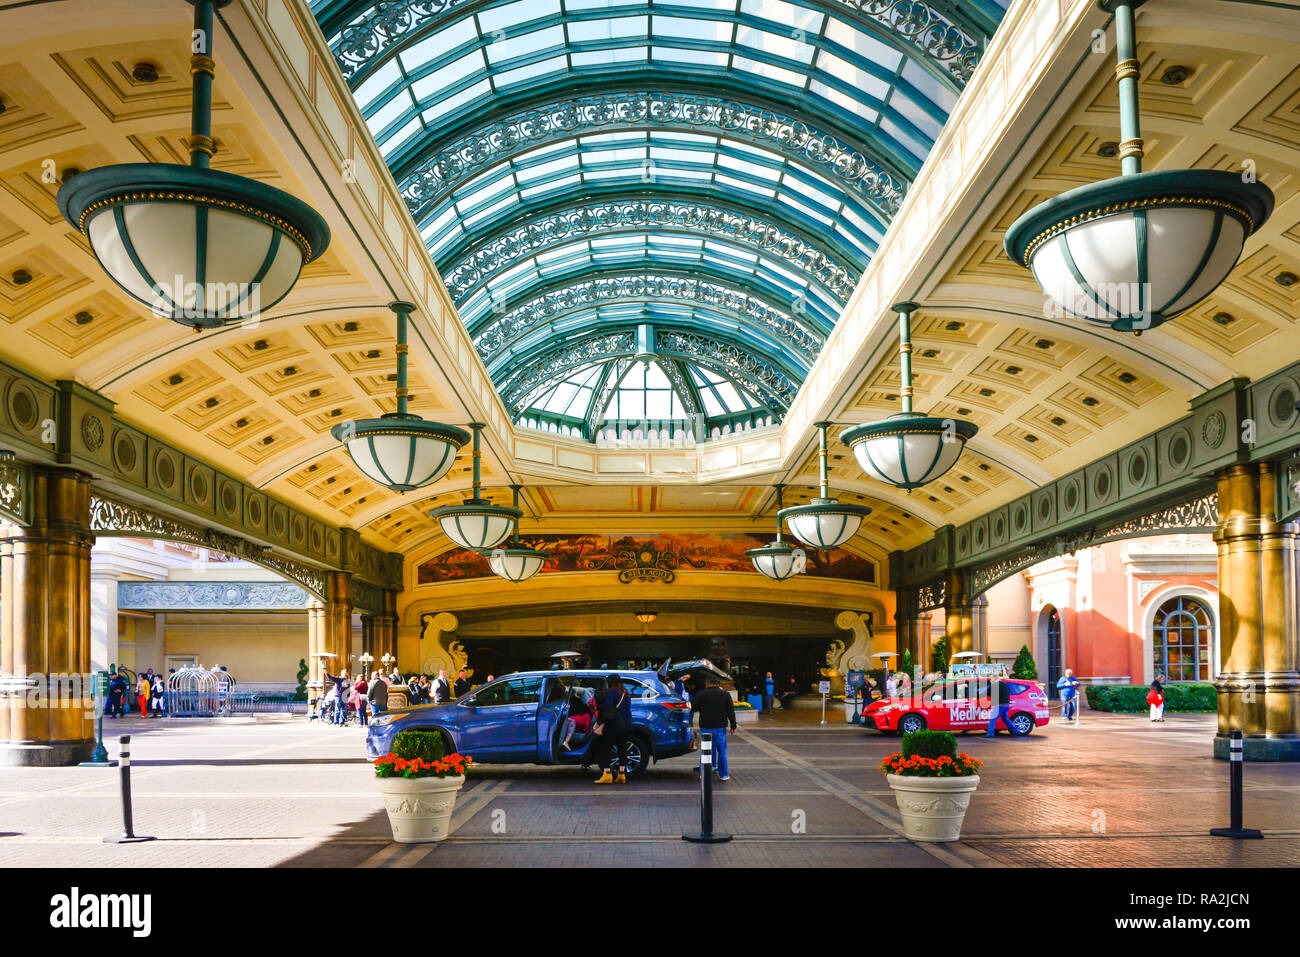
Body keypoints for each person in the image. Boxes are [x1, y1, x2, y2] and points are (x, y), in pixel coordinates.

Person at [691, 674, 737, 781]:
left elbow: (693, 707)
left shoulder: (701, 694)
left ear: (707, 683)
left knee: (706, 750)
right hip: (720, 726)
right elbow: (730, 711)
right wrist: (733, 725)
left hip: (706, 726)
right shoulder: (725, 694)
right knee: (722, 750)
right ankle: (724, 774)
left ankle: (704, 772)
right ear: (717, 683)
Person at [593, 674, 634, 784]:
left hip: (612, 725)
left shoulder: (611, 692)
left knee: (606, 749)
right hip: (625, 725)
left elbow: (607, 705)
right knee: (622, 749)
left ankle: (607, 774)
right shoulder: (626, 693)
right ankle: (621, 774)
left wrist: (600, 700)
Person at [561, 685, 596, 751]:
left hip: (567, 721)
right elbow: (587, 726)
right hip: (571, 722)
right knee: (572, 727)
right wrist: (588, 736)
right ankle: (566, 742)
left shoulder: (581, 715)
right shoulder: (587, 716)